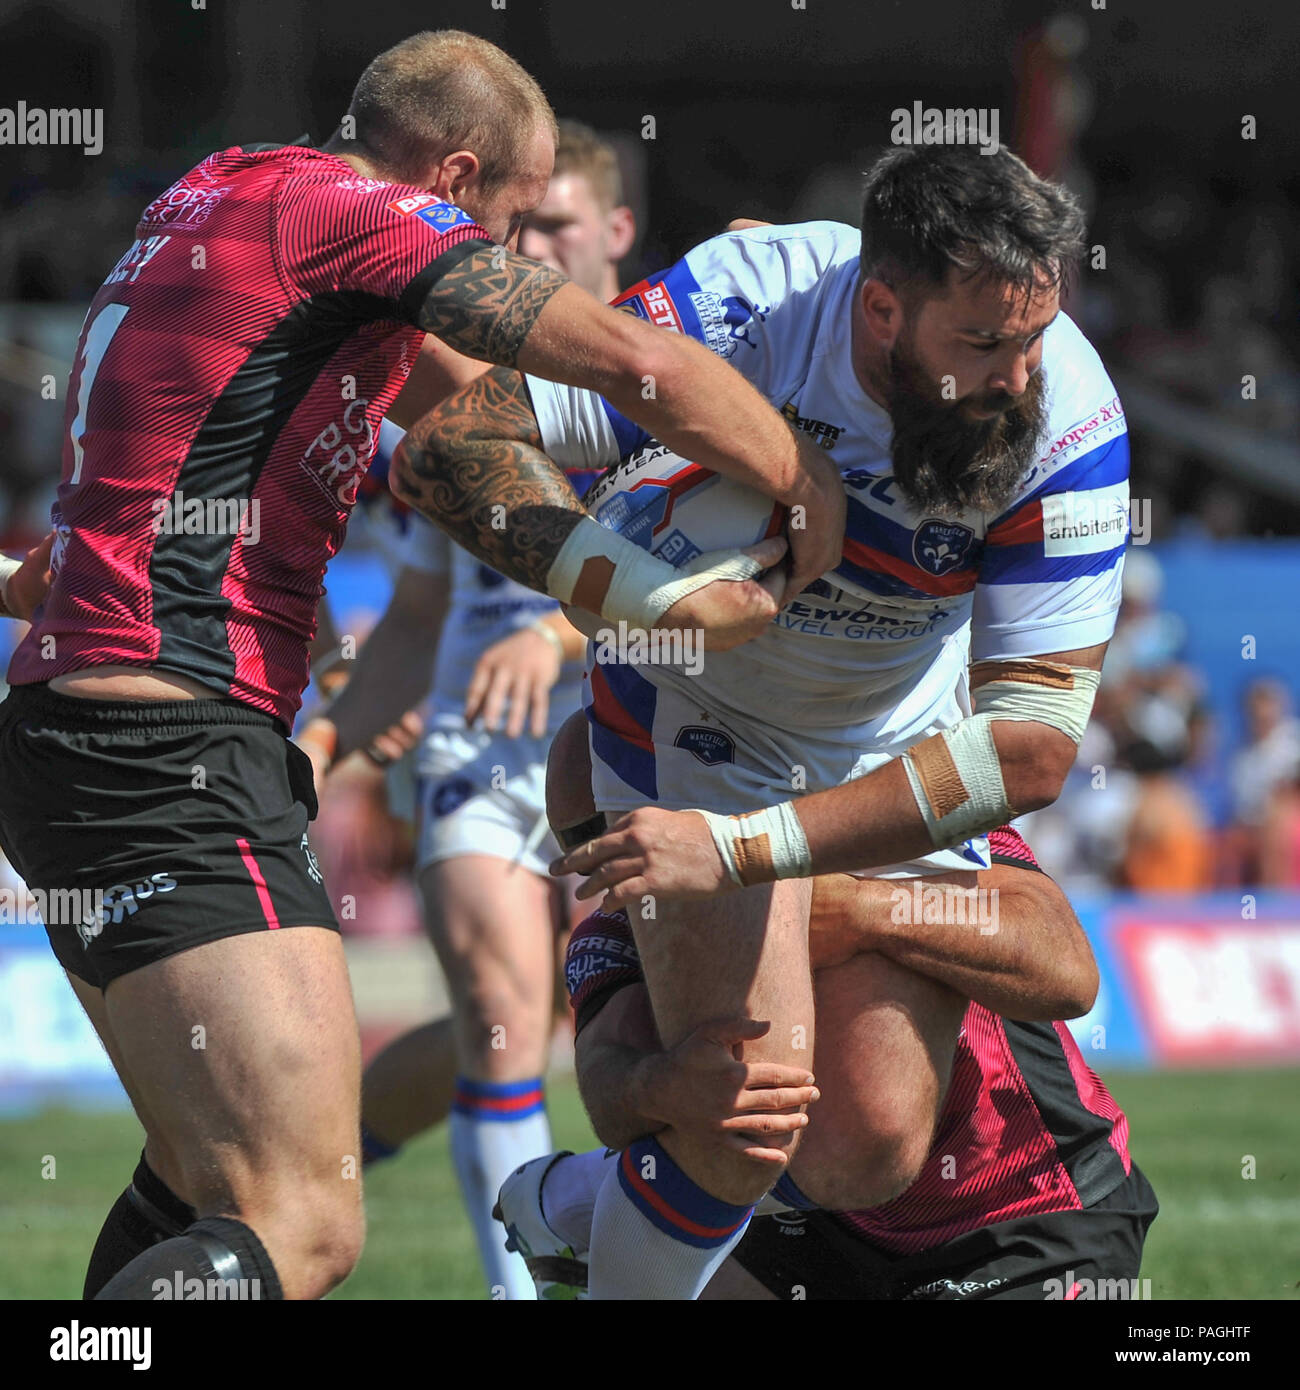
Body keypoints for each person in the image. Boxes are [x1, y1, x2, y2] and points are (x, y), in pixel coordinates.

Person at [0, 30, 842, 1301]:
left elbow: (461, 448)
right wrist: (805, 479)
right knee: (306, 1223)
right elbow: (636, 362)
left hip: (94, 727)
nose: (504, 255)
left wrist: (640, 597)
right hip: (168, 735)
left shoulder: (230, 187)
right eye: (504, 222)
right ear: (449, 181)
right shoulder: (361, 217)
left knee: (205, 1184)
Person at [428, 143, 1130, 1297]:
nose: (1019, 376)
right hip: (692, 720)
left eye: (1035, 336)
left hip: (883, 741)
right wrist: (640, 596)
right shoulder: (746, 307)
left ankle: (573, 1204)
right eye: (982, 345)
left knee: (865, 1146)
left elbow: (1031, 747)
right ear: (881, 306)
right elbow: (457, 446)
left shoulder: (1068, 427)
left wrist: (747, 854)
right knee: (743, 1114)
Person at [301, 120, 638, 1299]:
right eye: (519, 224)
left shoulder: (674, 377)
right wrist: (331, 737)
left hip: (639, 739)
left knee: (578, 1029)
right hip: (478, 745)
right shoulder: (463, 389)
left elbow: (742, 582)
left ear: (617, 233)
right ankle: (523, 1290)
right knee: (501, 1013)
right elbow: (418, 599)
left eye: (556, 223)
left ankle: (330, 1143)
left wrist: (561, 628)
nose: (531, 242)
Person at [502, 823, 1156, 1301]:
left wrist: (865, 910)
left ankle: (589, 1197)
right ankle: (598, 1209)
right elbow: (604, 1079)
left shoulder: (896, 815)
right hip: (812, 1229)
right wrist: (655, 1086)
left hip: (1026, 1213)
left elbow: (1069, 972)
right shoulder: (616, 928)